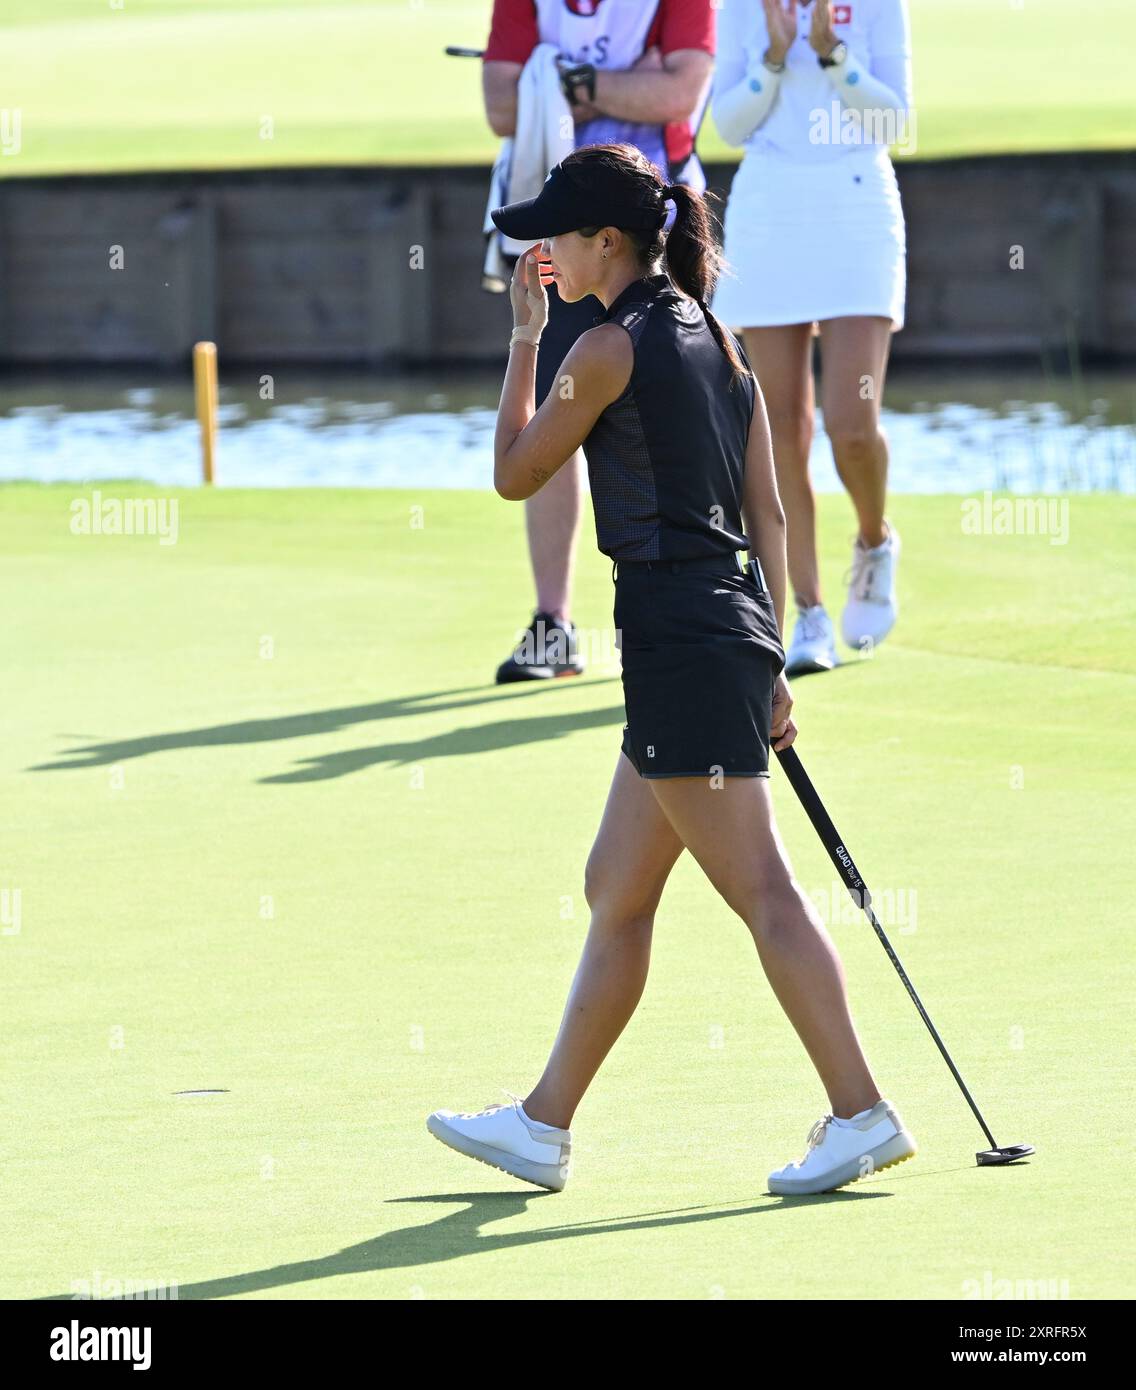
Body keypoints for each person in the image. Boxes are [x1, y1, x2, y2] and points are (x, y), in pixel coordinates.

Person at [427, 143, 916, 1197]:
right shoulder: (720, 340)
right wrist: (773, 653)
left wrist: (522, 340)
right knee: (617, 883)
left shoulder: (603, 348)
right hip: (720, 633)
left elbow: (516, 473)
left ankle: (859, 1110)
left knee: (765, 894)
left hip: (681, 646)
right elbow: (769, 513)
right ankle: (542, 1124)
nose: (540, 248)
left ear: (605, 242)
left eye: (555, 231)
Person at [482, 0, 716, 682]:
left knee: (670, 428)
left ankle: (702, 609)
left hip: (653, 235)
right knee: (561, 421)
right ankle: (554, 623)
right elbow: (503, 107)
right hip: (574, 237)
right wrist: (619, 82)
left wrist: (564, 85)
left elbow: (679, 91)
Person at [711, 0, 913, 674]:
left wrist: (832, 55)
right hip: (771, 209)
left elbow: (893, 119)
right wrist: (772, 57)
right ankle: (809, 612)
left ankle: (874, 542)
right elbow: (731, 124)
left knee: (851, 426)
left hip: (856, 204)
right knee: (782, 430)